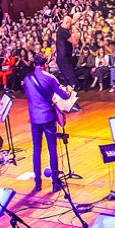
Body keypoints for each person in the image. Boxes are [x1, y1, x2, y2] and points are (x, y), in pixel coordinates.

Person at [22, 57, 65, 194]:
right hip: (48, 117)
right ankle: (55, 183)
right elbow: (63, 95)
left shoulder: (27, 79)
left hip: (34, 118)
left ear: (34, 64)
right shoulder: (49, 77)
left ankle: (38, 184)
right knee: (52, 149)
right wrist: (69, 91)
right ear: (45, 64)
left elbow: (30, 96)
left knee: (36, 150)